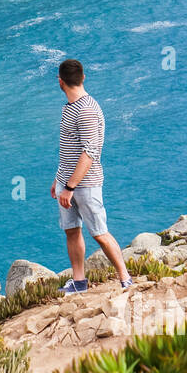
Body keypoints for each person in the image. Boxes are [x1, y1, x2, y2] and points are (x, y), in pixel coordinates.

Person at [51, 58, 132, 294]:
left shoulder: (86, 110)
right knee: (72, 230)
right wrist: (59, 178)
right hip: (68, 183)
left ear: (60, 82)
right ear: (83, 77)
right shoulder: (70, 107)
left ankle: (125, 277)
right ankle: (79, 281)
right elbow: (69, 148)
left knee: (99, 232)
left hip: (84, 185)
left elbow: (90, 152)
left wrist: (70, 187)